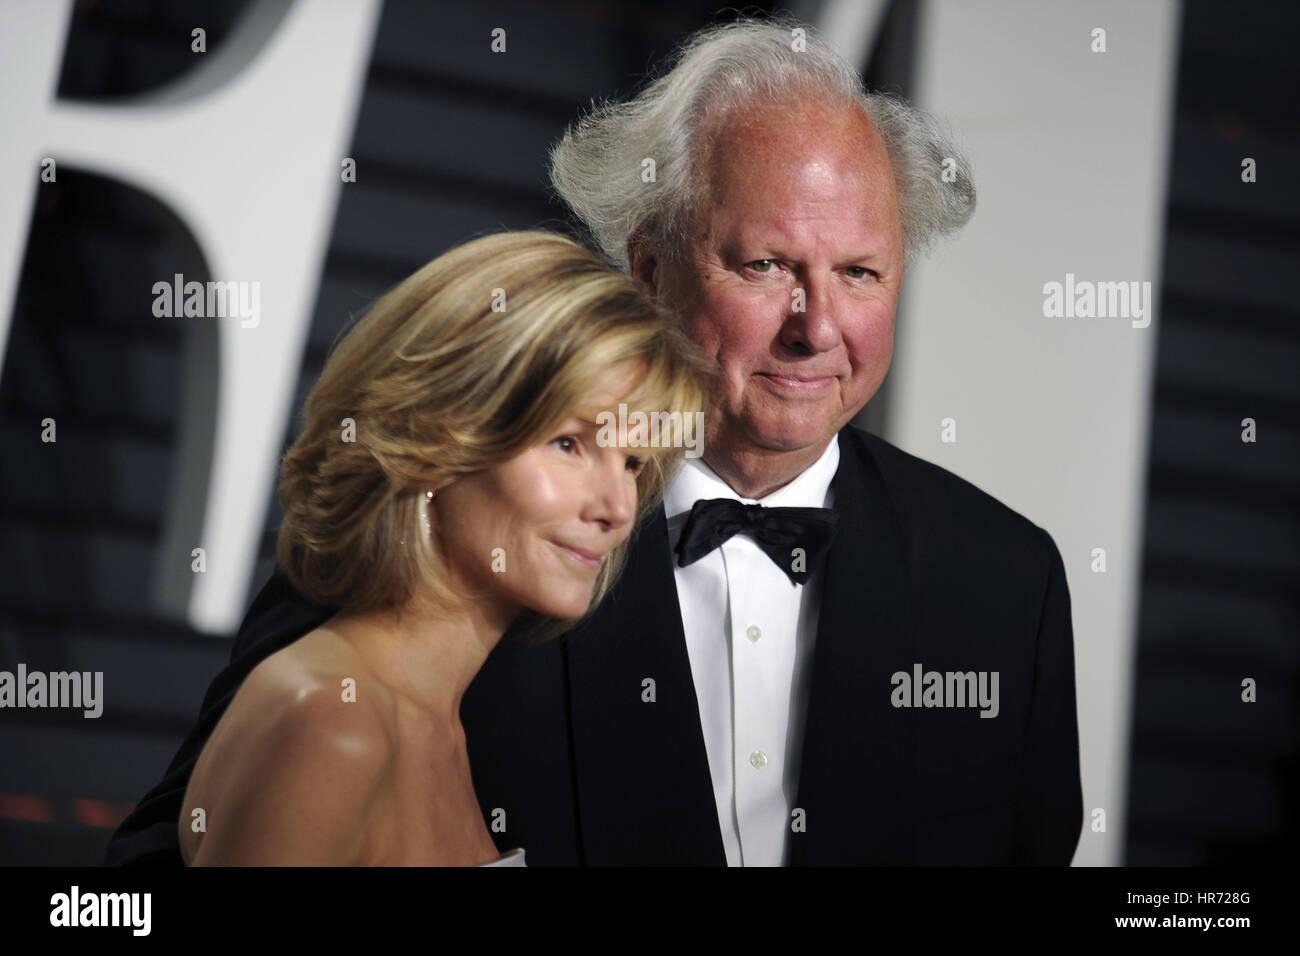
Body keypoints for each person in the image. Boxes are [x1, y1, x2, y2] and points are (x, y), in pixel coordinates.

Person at [107, 17, 1082, 867]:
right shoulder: (459, 517)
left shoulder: (1006, 581)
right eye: (766, 263)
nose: (815, 324)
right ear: (650, 266)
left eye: (861, 273)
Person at [171, 230, 711, 865]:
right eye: (569, 444)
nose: (617, 508)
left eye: (632, 463)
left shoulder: (439, 725)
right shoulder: (333, 719)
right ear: (439, 435)